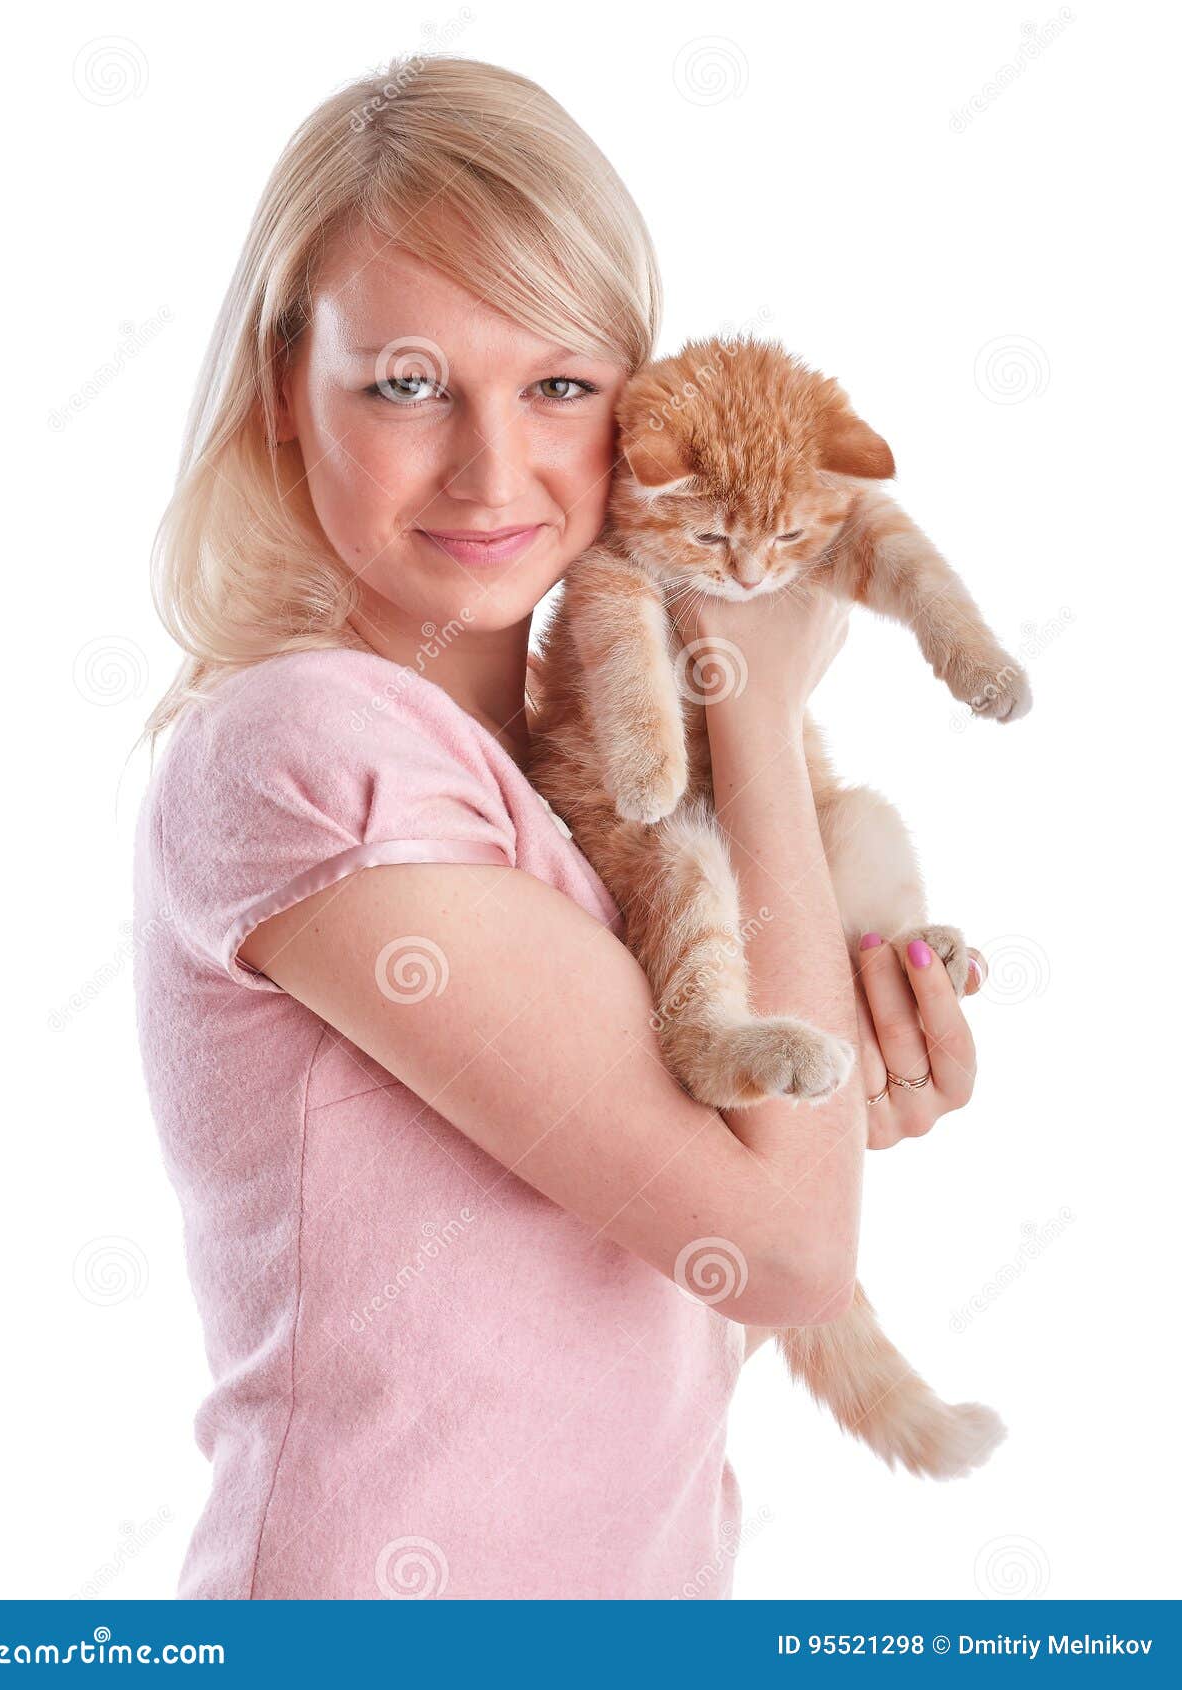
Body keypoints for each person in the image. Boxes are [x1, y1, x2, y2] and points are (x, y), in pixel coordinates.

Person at [132, 54, 984, 1602]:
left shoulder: (543, 778)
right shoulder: (305, 744)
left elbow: (737, 1205)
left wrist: (835, 1078)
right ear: (280, 391)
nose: (490, 466)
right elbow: (785, 1252)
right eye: (405, 382)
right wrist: (751, 684)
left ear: (635, 408)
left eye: (559, 386)